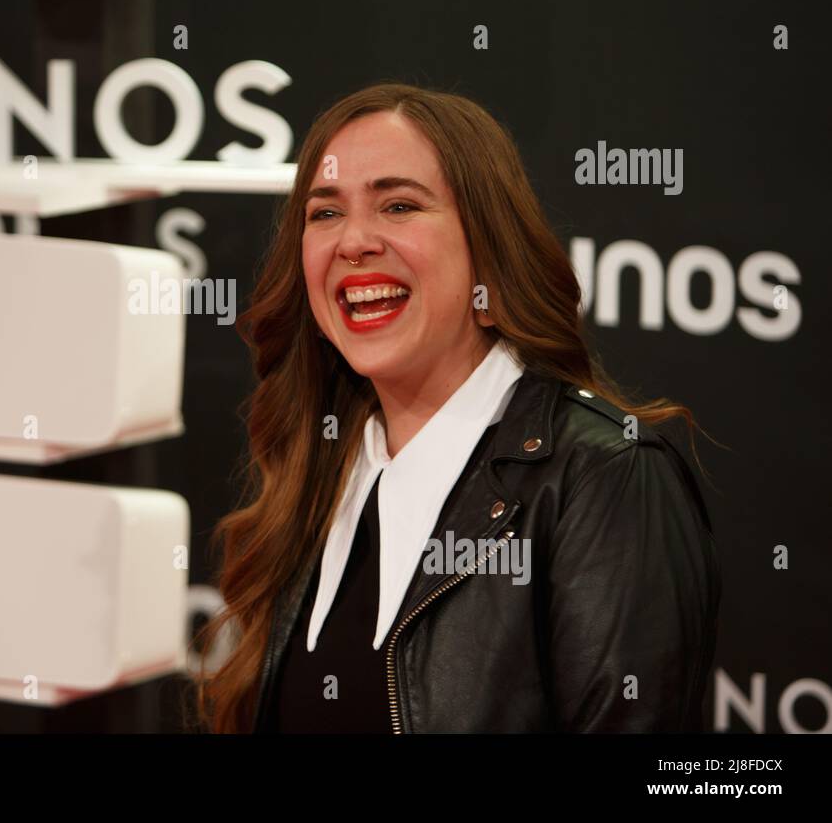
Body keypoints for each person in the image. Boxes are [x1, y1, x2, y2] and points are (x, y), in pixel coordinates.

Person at [192, 83, 721, 733]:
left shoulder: (603, 478)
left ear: (487, 243)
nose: (354, 240)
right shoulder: (323, 466)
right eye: (324, 213)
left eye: (399, 204)